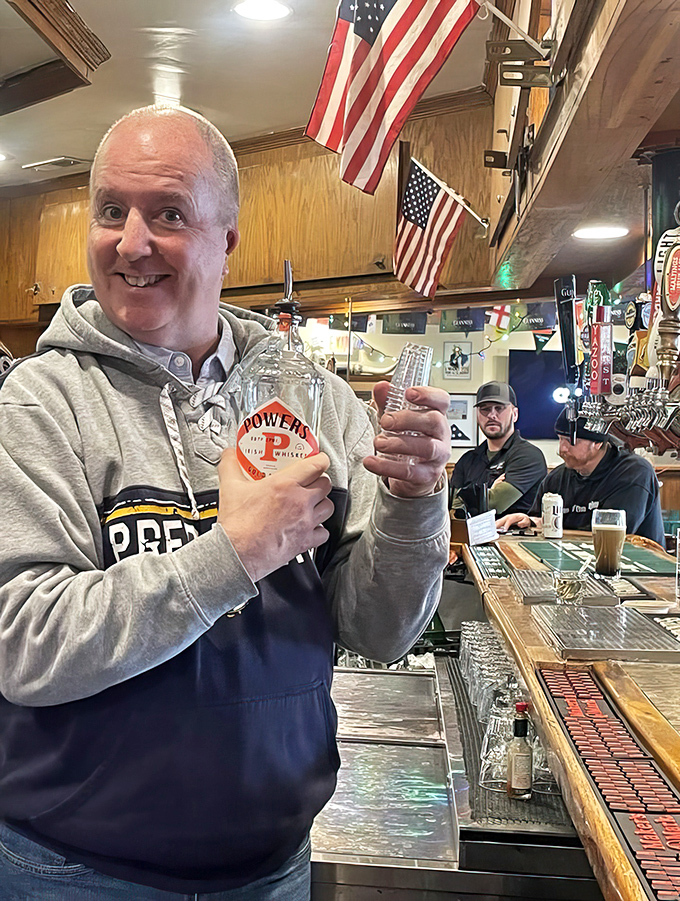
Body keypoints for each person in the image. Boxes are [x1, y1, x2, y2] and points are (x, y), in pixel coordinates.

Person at [0, 105, 451, 900]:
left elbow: (380, 631)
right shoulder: (43, 401)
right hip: (74, 870)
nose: (131, 242)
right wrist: (233, 552)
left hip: (272, 865)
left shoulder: (316, 397)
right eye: (111, 210)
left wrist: (413, 503)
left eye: (168, 214)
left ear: (227, 239)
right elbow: (25, 645)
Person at [496, 408, 665, 546]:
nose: (562, 449)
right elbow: (541, 520)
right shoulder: (556, 479)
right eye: (560, 439)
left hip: (637, 571)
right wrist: (530, 521)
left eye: (571, 441)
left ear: (597, 443)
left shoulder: (634, 473)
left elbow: (610, 534)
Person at [450, 381, 547, 518]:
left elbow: (495, 504)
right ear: (477, 415)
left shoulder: (529, 456)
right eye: (485, 409)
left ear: (515, 414)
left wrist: (469, 498)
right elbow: (451, 507)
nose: (491, 415)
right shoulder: (467, 460)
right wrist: (488, 492)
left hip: (512, 537)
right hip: (468, 537)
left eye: (499, 408)